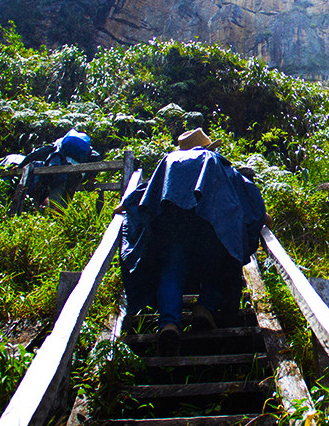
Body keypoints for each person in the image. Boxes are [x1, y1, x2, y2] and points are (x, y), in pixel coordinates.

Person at [116, 128, 271, 355]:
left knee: (171, 269)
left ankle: (169, 323)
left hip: (172, 225)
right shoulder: (212, 159)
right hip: (207, 222)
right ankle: (205, 307)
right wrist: (262, 214)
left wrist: (124, 205)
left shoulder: (168, 160)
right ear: (206, 146)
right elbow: (240, 187)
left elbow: (147, 191)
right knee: (218, 264)